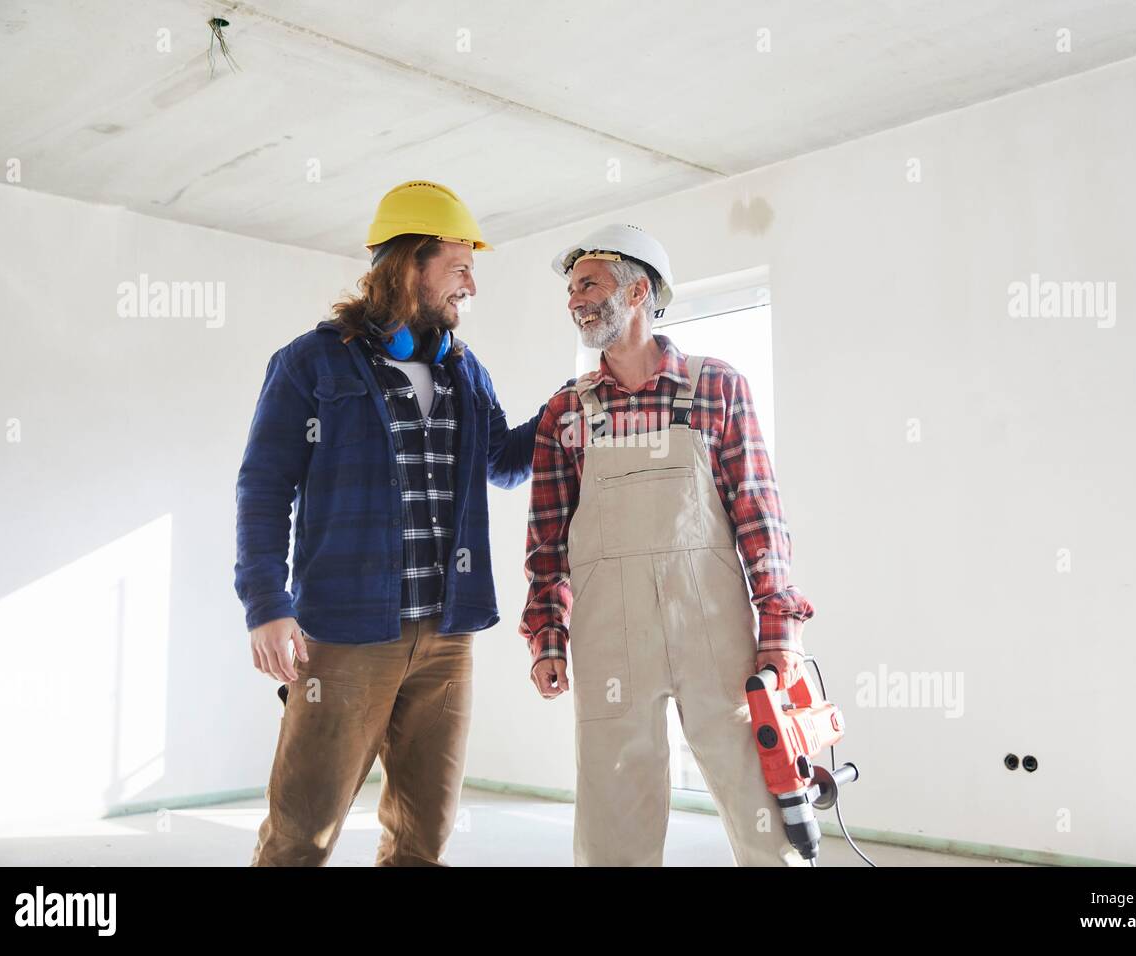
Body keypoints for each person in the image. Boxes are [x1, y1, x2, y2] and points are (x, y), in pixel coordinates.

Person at [235, 180, 542, 865]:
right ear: (410, 265)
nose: (471, 285)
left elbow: (501, 461)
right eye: (459, 267)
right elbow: (263, 487)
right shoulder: (311, 363)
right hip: (346, 634)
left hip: (448, 635)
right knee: (300, 834)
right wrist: (265, 605)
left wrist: (565, 410)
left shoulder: (464, 369)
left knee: (422, 838)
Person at [520, 223, 816, 865]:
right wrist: (548, 634)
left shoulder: (717, 386)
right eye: (571, 289)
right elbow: (547, 542)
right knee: (612, 802)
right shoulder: (564, 414)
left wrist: (779, 630)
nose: (575, 298)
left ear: (638, 293)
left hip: (711, 624)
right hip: (608, 635)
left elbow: (759, 514)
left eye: (589, 283)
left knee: (757, 789)